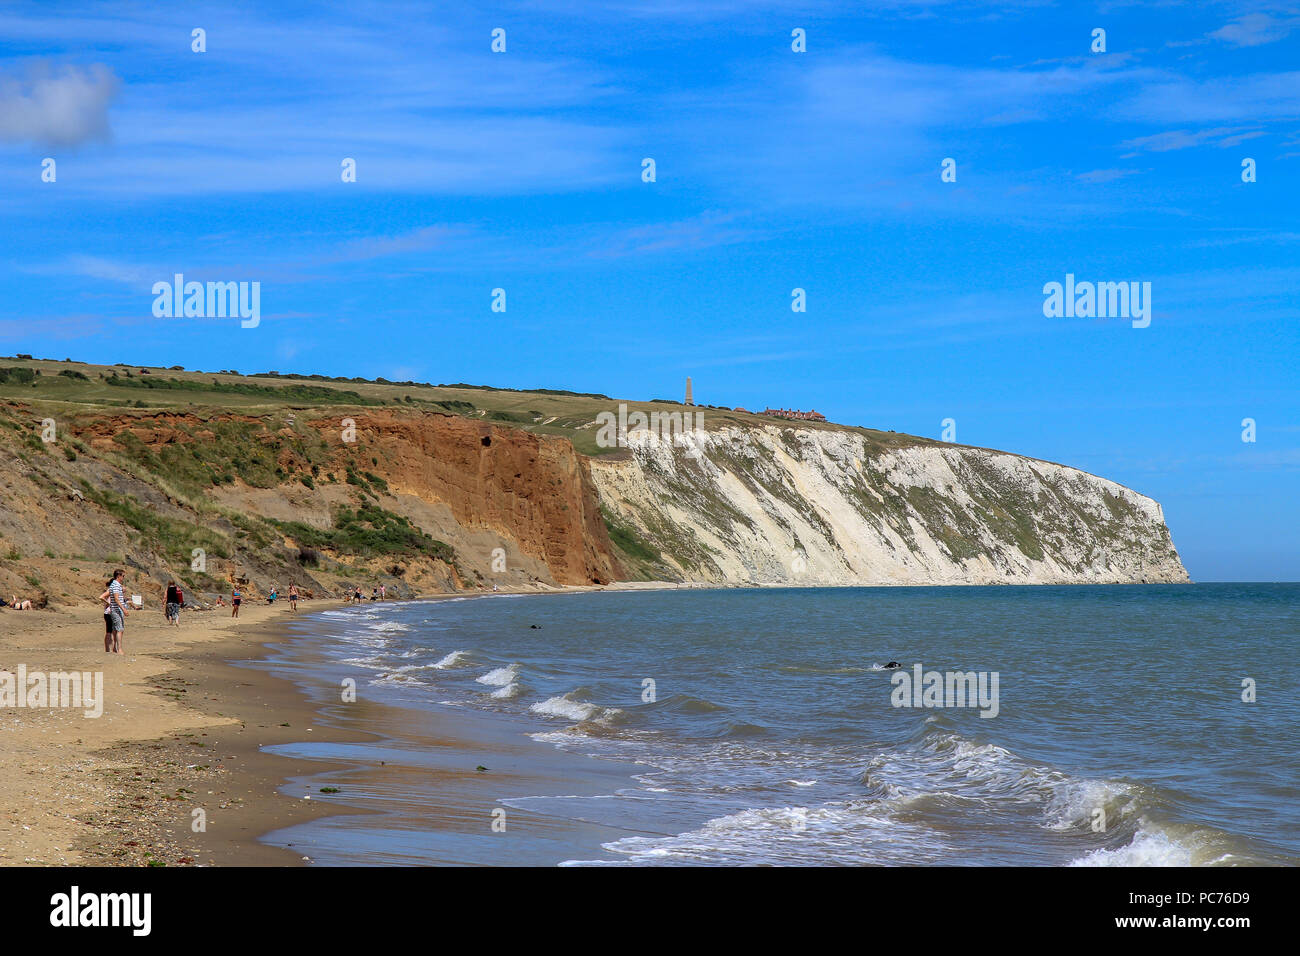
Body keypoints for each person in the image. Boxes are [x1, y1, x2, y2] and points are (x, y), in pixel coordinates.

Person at [101, 569, 128, 654]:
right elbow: (116, 599)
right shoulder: (115, 585)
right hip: (116, 610)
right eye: (123, 576)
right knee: (119, 629)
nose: (123, 578)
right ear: (118, 576)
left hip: (115, 610)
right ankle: (119, 649)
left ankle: (115, 649)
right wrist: (123, 609)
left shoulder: (115, 585)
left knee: (115, 630)